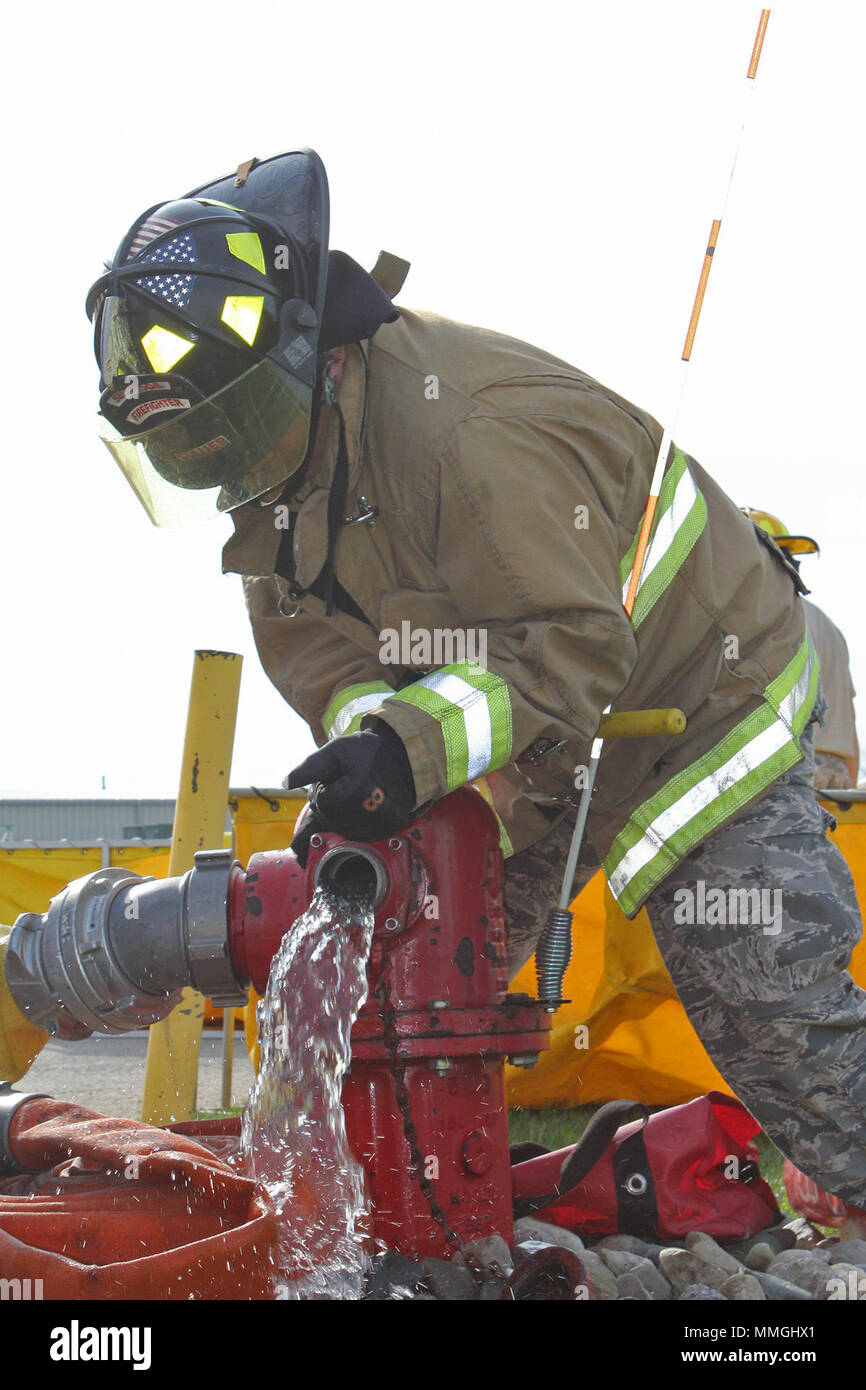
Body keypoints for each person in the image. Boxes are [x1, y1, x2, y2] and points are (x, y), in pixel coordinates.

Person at [85, 150, 866, 1218]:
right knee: (397, 967)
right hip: (534, 737)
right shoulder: (277, 479)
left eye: (229, 442)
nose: (227, 481)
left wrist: (409, 748)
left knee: (763, 999)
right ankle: (417, 1229)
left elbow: (569, 642)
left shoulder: (465, 430)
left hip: (694, 697)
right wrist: (370, 753)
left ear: (302, 364)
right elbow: (341, 671)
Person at [744, 510, 859, 789]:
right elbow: (847, 721)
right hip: (837, 776)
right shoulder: (827, 625)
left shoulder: (767, 621)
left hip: (793, 774)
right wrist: (849, 792)